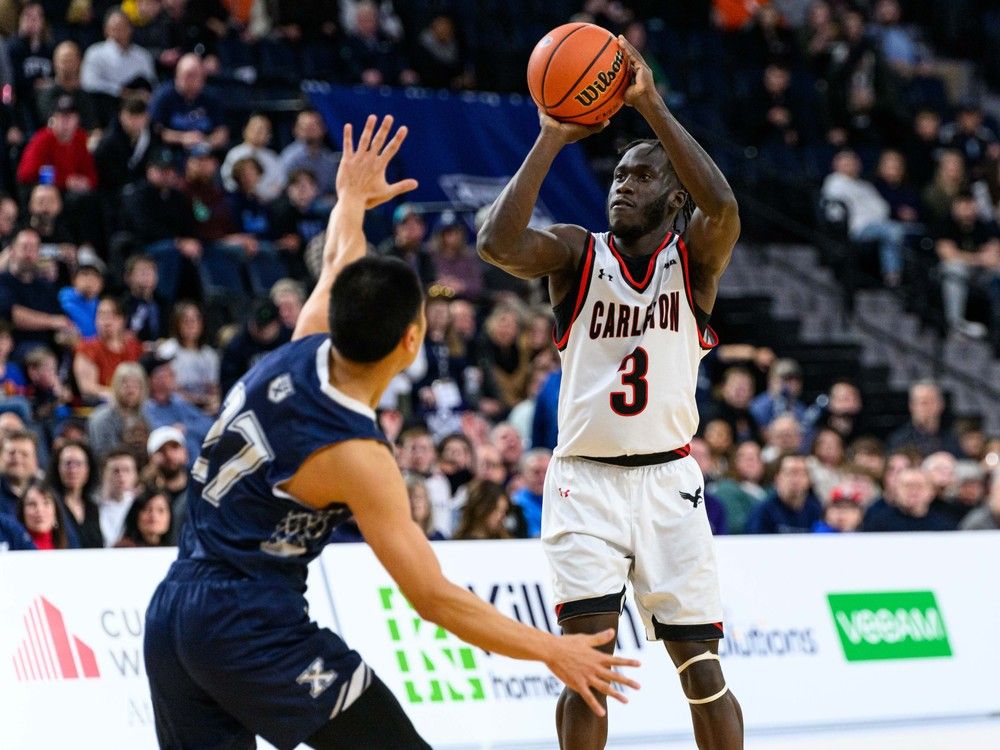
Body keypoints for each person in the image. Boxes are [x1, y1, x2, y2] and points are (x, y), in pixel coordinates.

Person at [144, 115, 637, 750]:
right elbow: (431, 596)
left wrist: (351, 198)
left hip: (172, 612)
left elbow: (341, 253)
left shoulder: (307, 341)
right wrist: (553, 649)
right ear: (411, 341)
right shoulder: (357, 455)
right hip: (246, 625)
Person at [478, 38, 742, 749]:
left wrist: (650, 105)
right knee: (587, 669)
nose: (623, 183)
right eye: (618, 174)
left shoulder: (694, 263)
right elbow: (495, 243)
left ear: (672, 194)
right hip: (584, 486)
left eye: (643, 174)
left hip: (667, 482)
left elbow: (722, 206)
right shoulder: (574, 253)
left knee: (703, 672)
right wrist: (549, 138)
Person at [72, 296, 144, 401]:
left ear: (122, 320)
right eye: (102, 315)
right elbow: (87, 388)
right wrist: (122, 396)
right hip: (101, 406)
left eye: (113, 316)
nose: (107, 322)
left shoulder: (134, 347)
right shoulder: (87, 348)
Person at [746, 454, 823, 534]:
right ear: (777, 478)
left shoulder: (816, 510)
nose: (796, 479)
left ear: (809, 481)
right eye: (791, 473)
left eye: (802, 474)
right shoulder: (763, 512)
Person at [46, 439, 102, 548]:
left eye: (78, 464)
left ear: (88, 469)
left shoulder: (92, 507)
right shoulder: (49, 504)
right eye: (67, 463)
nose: (73, 470)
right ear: (57, 468)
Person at [17, 480, 70, 549]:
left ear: (56, 513)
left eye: (46, 503)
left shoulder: (70, 549)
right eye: (32, 504)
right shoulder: (12, 549)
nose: (39, 510)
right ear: (22, 512)